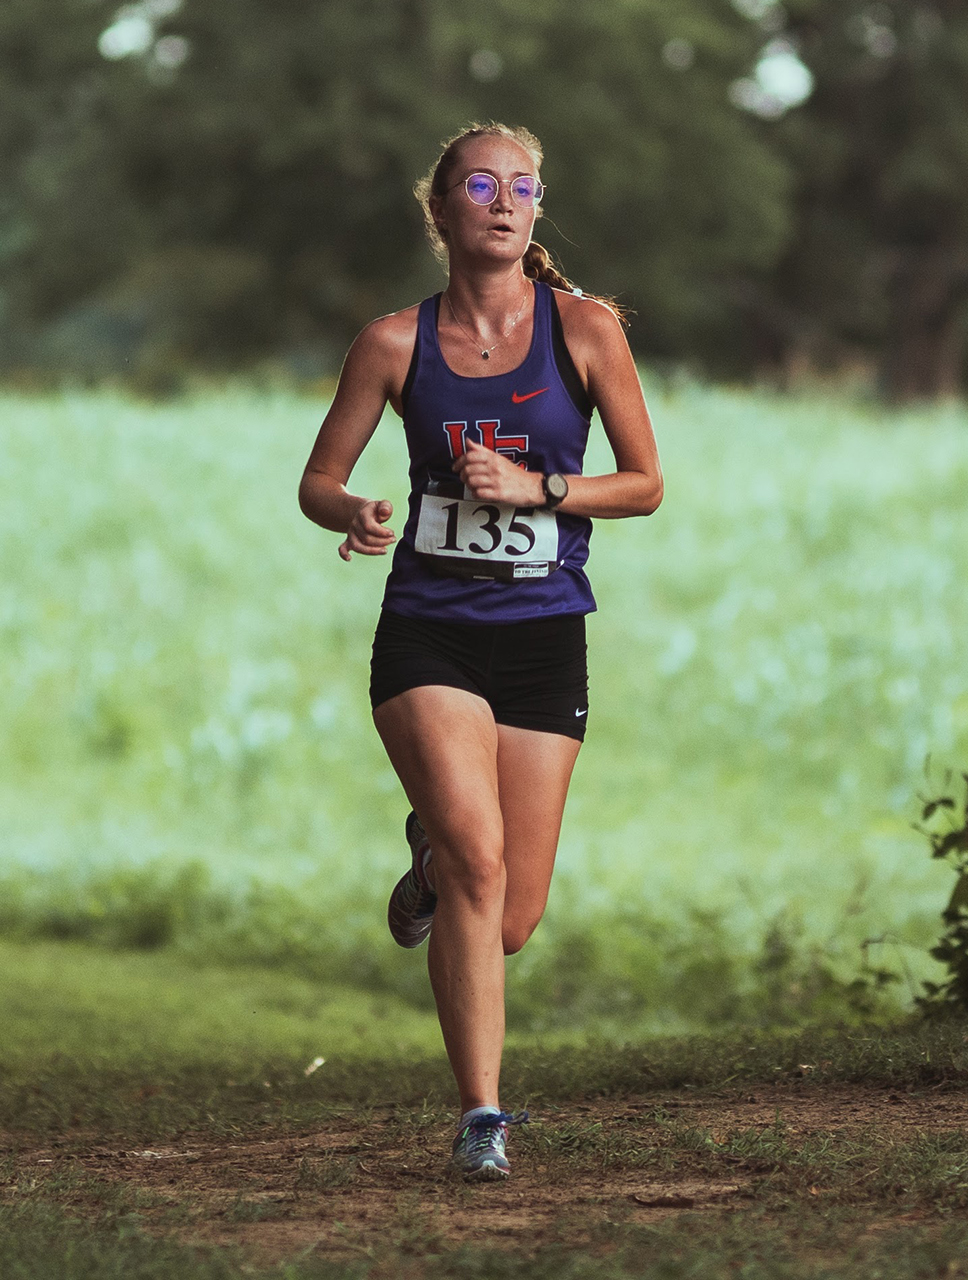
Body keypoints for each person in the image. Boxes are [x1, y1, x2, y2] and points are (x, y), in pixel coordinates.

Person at [298, 123, 662, 1179]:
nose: (505, 202)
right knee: (478, 853)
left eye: (524, 187)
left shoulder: (586, 331)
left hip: (545, 639)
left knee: (506, 917)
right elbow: (318, 477)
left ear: (537, 208)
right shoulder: (392, 344)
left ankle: (425, 871)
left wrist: (540, 487)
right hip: (430, 633)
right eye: (482, 185)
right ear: (444, 209)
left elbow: (644, 483)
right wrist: (355, 510)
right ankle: (482, 1116)